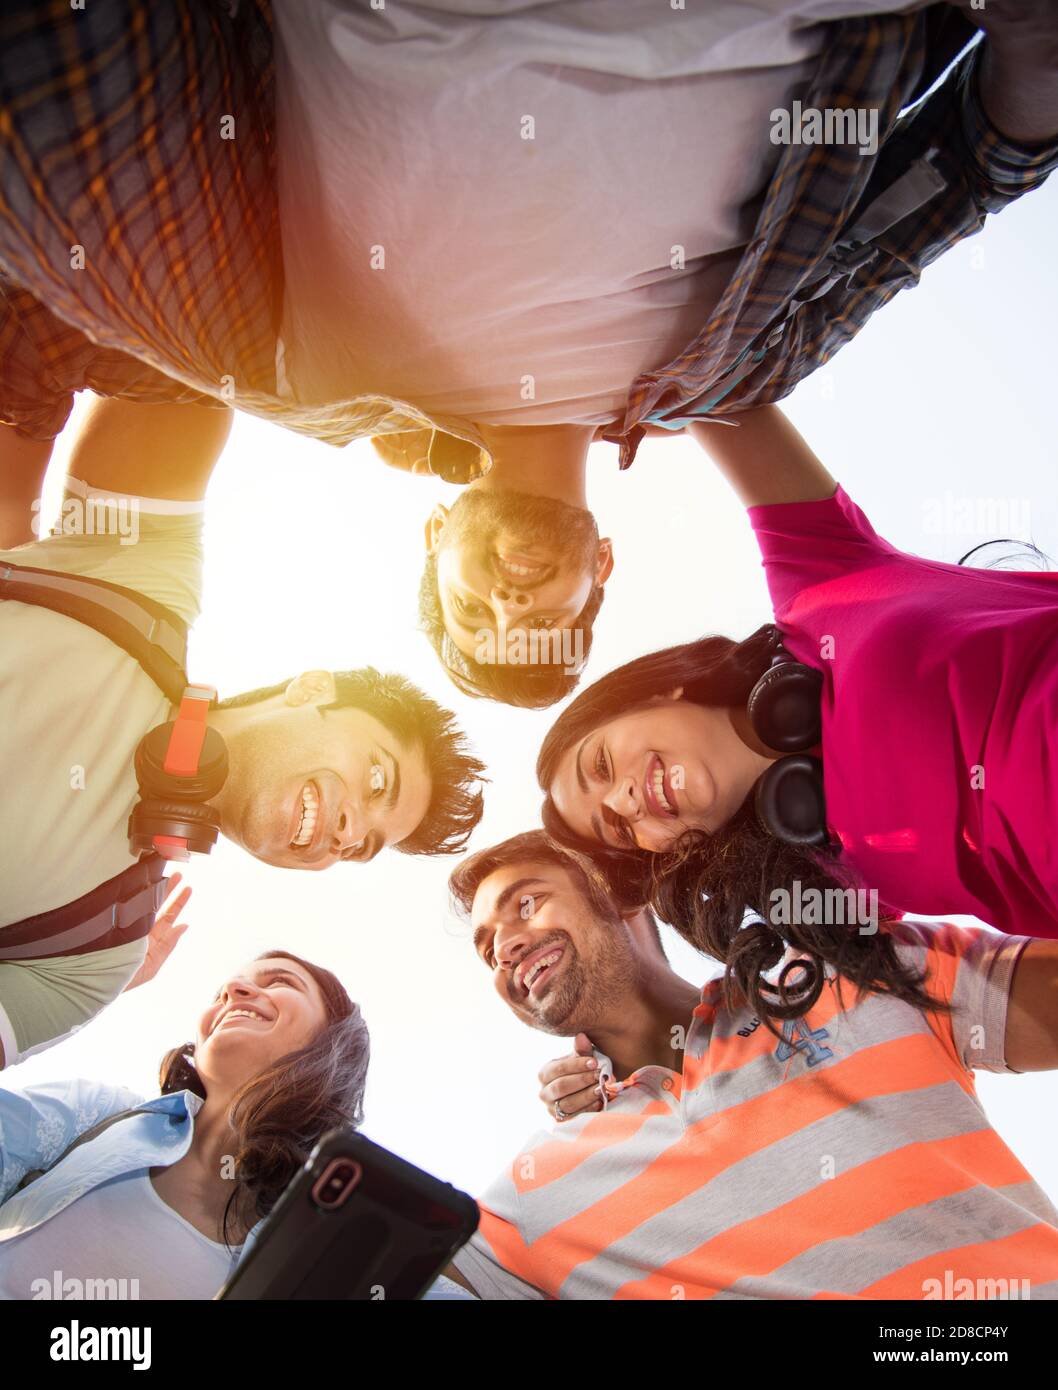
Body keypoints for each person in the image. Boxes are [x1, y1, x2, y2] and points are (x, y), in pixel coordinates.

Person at [2, 2, 1056, 703]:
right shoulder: (735, 369)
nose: (509, 601)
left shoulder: (304, 374)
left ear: (435, 531)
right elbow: (958, 180)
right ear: (599, 565)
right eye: (541, 622)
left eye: (472, 608)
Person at [0, 394, 484, 1070]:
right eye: (378, 779)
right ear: (312, 686)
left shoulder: (95, 955)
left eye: (362, 847)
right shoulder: (141, 584)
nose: (347, 834)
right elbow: (184, 364)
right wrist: (378, 401)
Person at [536, 405, 1058, 991]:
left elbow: (720, 388)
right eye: (618, 828)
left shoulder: (816, 575)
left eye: (601, 765)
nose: (626, 799)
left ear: (652, 693)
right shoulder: (835, 897)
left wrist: (621, 408)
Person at [443, 830, 1058, 1300]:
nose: (505, 947)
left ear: (616, 893)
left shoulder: (847, 973)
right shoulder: (531, 1199)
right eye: (486, 948)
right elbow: (374, 1260)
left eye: (525, 904)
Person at [0, 950, 370, 1299]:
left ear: (335, 1039)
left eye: (281, 982)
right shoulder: (98, 1112)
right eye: (222, 991)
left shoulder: (324, 1250)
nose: (232, 991)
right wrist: (49, 999)